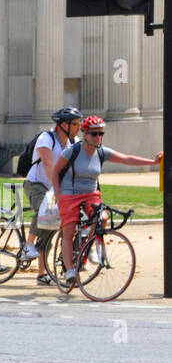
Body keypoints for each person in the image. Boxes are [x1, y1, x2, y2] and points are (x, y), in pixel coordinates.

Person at [49, 115, 161, 286]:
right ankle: (70, 270)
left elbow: (126, 159)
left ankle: (87, 248)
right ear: (85, 134)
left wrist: (153, 162)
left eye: (101, 133)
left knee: (102, 218)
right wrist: (58, 195)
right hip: (69, 193)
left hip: (91, 194)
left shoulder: (101, 152)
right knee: (69, 231)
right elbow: (55, 171)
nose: (98, 137)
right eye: (94, 134)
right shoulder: (73, 151)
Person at [24, 107, 81, 285]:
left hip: (57, 187)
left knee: (50, 228)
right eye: (75, 124)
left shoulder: (73, 141)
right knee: (45, 209)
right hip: (36, 183)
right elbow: (49, 165)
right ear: (64, 124)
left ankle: (42, 274)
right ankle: (28, 246)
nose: (79, 127)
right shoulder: (46, 138)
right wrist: (57, 191)